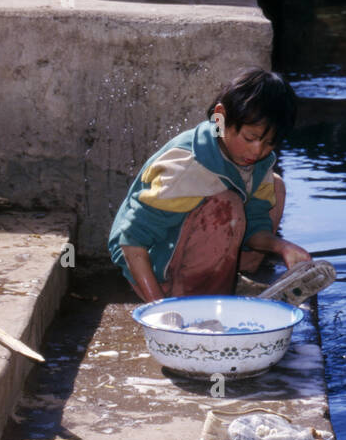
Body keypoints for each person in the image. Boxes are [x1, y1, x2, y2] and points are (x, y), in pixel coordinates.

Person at [108, 68, 311, 301]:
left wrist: (282, 247)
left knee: (275, 186)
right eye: (250, 138)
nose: (257, 151)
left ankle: (229, 281)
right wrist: (158, 307)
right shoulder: (187, 167)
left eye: (268, 143)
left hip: (195, 245)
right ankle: (190, 295)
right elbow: (131, 241)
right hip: (152, 262)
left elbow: (255, 226)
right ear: (220, 118)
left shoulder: (257, 161)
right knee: (228, 207)